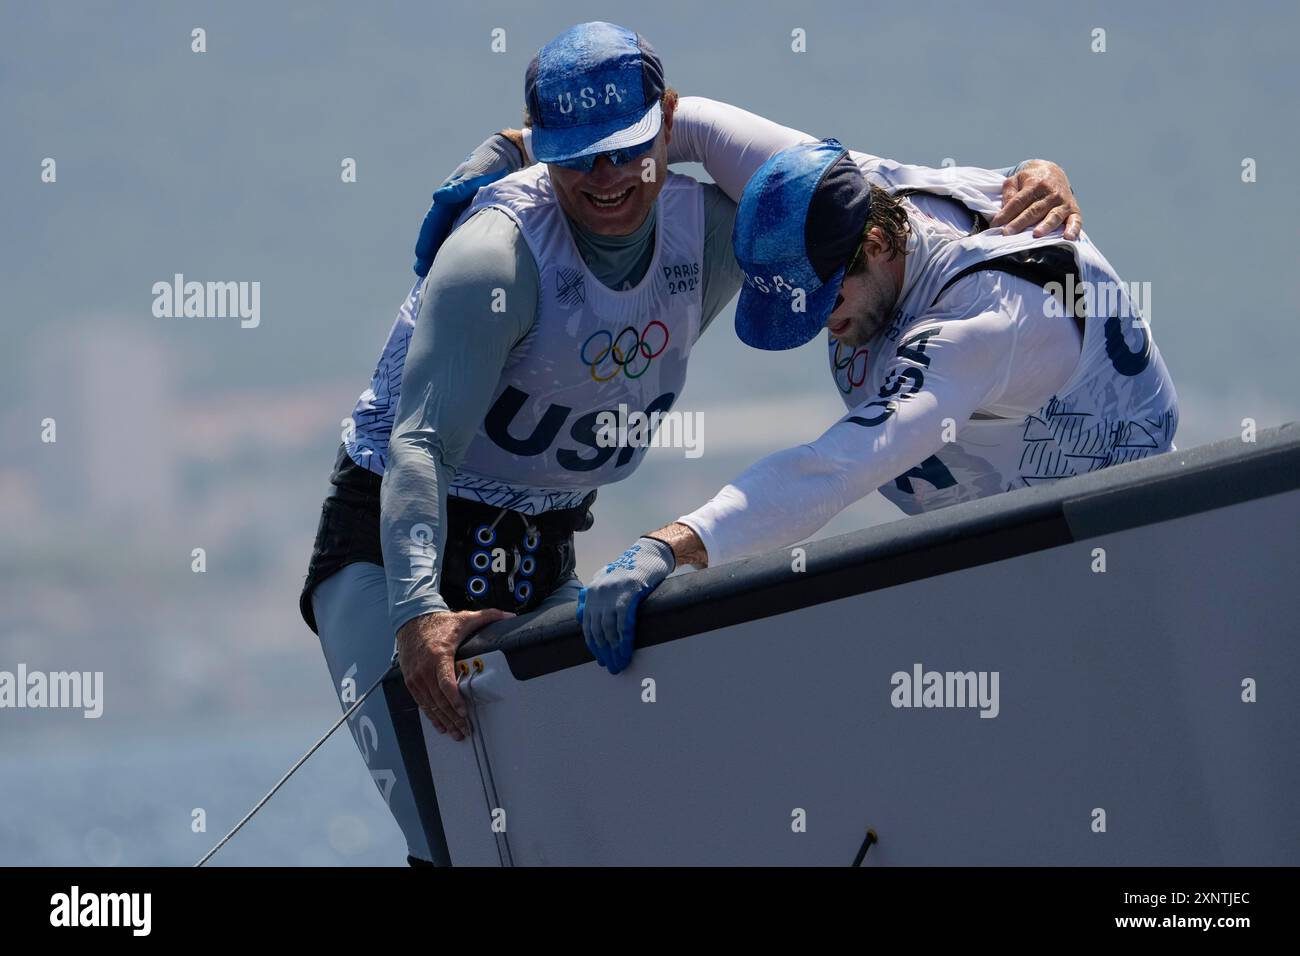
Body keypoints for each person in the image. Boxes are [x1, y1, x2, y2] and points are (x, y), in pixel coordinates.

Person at [299, 21, 1081, 864]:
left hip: (539, 553)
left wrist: (1024, 181)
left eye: (623, 152)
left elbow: (854, 198)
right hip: (392, 554)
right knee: (453, 841)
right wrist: (417, 616)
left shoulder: (712, 229)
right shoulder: (494, 259)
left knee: (600, 830)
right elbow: (417, 443)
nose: (603, 180)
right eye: (576, 158)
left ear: (664, 131)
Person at [577, 139, 1178, 673]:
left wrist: (668, 545)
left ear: (878, 243)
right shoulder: (843, 187)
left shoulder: (974, 326)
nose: (823, 326)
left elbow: (837, 469)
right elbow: (693, 126)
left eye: (827, 298)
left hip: (1124, 548)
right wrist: (521, 151)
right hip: (1016, 558)